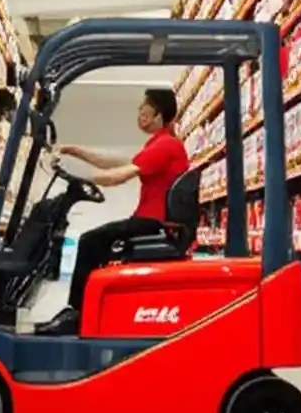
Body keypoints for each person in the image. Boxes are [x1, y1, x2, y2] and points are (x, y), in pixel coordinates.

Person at [35, 88, 190, 335]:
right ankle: (87, 309)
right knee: (98, 241)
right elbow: (115, 162)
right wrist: (76, 152)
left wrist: (79, 176)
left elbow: (118, 176)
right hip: (151, 220)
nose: (139, 111)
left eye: (144, 107)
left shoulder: (167, 145)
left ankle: (77, 313)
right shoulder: (161, 143)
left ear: (158, 114)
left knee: (88, 241)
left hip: (154, 223)